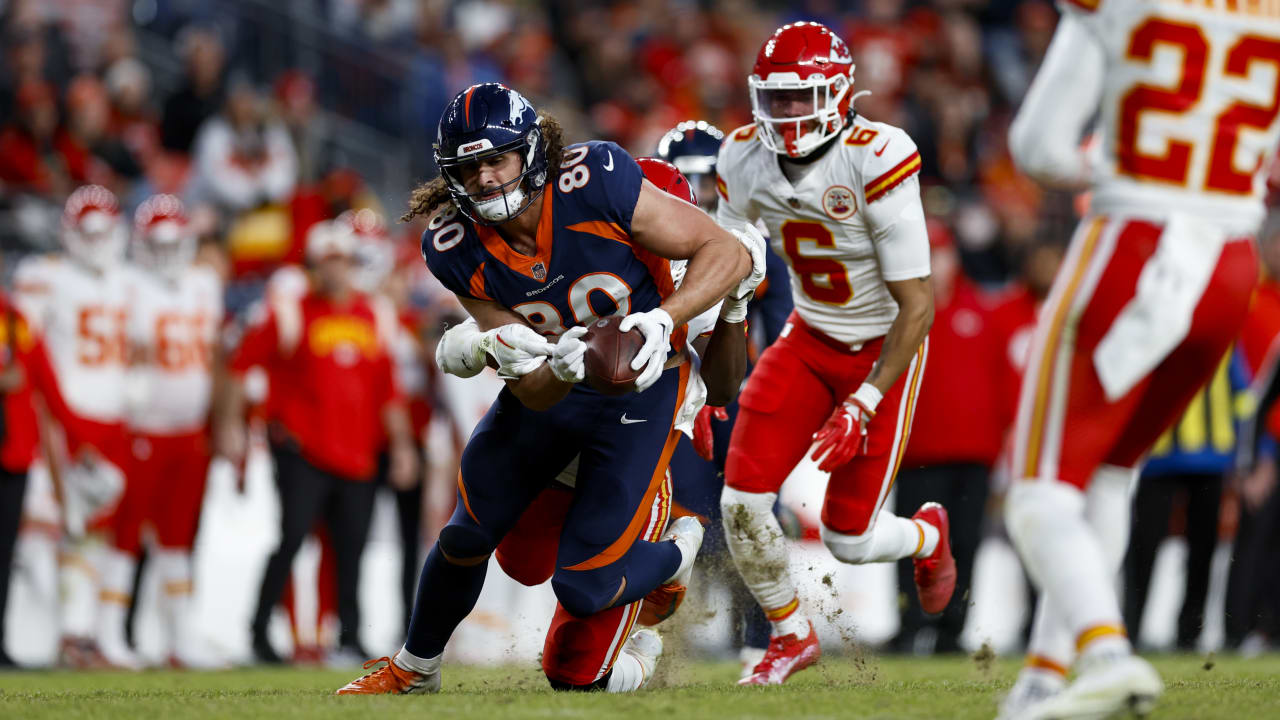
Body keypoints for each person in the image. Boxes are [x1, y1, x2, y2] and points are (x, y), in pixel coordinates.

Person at [335, 82, 754, 694]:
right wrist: (544, 364)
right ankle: (414, 667)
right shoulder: (451, 245)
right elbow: (531, 392)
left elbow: (726, 250)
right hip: (564, 385)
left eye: (496, 159)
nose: (484, 178)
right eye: (469, 167)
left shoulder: (598, 179)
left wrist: (661, 321)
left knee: (582, 593)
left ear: (532, 152)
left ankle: (674, 553)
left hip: (640, 388)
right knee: (468, 531)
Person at [1000, 1, 1280, 716]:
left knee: (1039, 485)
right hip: (1231, 263)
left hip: (1134, 245)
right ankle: (1044, 672)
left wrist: (1113, 158)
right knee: (1113, 472)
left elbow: (1040, 147)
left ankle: (1107, 654)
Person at [430, 157, 766, 692]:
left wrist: (732, 308)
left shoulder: (684, 278)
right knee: (520, 562)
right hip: (558, 443)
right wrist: (478, 342)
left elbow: (725, 388)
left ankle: (669, 562)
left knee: (575, 667)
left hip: (629, 455)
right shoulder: (575, 243)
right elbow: (515, 332)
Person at [714, 21, 954, 686]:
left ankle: (928, 536)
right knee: (740, 502)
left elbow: (918, 305)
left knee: (850, 541)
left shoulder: (878, 155)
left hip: (883, 348)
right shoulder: (741, 157)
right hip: (808, 338)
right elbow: (729, 257)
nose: (788, 114)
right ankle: (790, 635)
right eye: (776, 99)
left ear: (841, 92)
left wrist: (866, 400)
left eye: (802, 97)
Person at [221, 218, 419, 664]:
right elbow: (242, 363)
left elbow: (390, 393)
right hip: (302, 448)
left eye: (341, 261)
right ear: (314, 267)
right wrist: (233, 425)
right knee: (290, 540)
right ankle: (258, 632)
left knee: (352, 548)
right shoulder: (290, 312)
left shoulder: (376, 317)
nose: (334, 271)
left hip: (360, 452)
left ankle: (348, 636)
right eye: (325, 262)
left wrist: (402, 447)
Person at [656, 120, 792, 672]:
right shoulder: (648, 242)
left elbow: (781, 330)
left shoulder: (752, 239)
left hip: (739, 396)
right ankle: (658, 643)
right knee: (678, 518)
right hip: (674, 397)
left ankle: (760, 641)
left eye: (705, 177)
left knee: (753, 515)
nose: (697, 189)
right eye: (683, 178)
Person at [92, 195, 224, 669]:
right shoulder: (127, 284)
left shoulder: (204, 284)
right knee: (126, 534)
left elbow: (214, 356)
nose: (168, 255)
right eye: (158, 245)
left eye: (176, 245)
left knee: (175, 538)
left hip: (189, 430)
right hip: (141, 429)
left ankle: (179, 636)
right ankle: (107, 632)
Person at [13, 185, 136, 668]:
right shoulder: (46, 277)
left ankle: (76, 633)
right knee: (48, 523)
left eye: (106, 232)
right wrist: (49, 423)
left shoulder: (126, 280)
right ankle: (42, 633)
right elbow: (29, 357)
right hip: (62, 420)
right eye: (90, 233)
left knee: (92, 532)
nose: (99, 242)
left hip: (111, 420)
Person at [0, 290, 80, 668]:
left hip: (14, 454)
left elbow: (46, 381)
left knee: (4, 555)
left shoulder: (20, 319)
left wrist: (81, 437)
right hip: (14, 450)